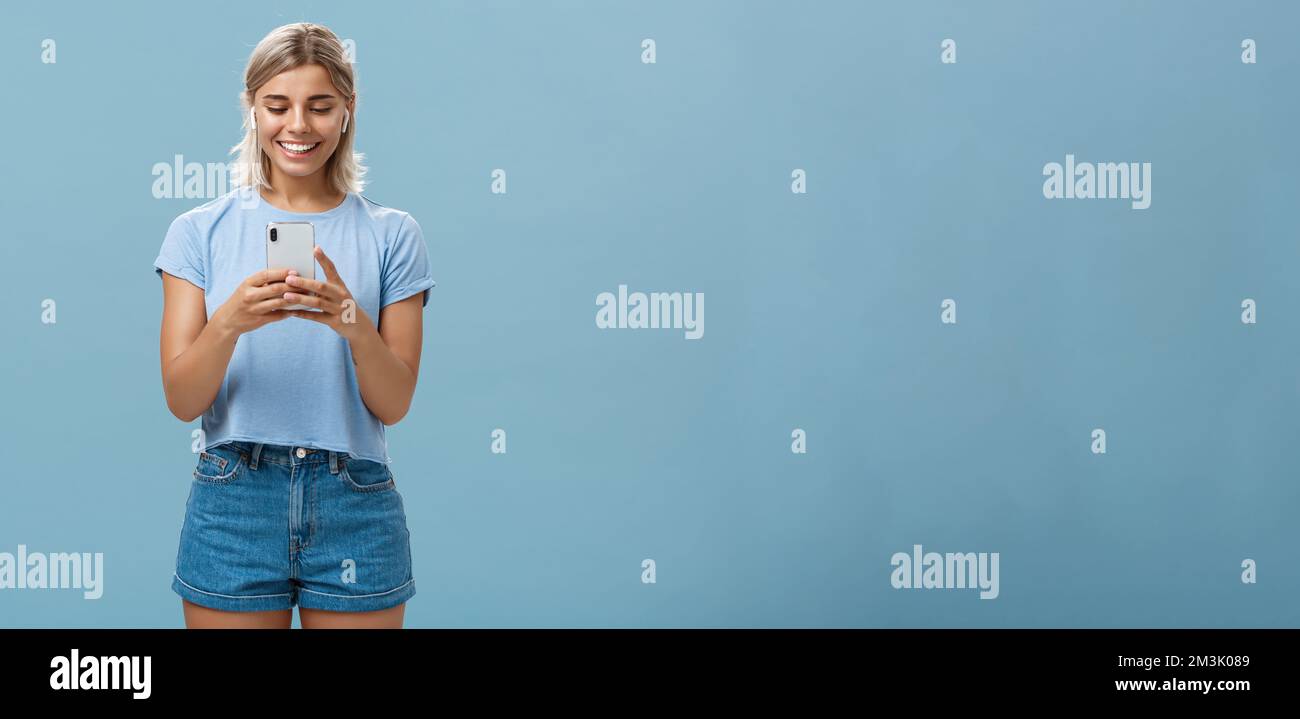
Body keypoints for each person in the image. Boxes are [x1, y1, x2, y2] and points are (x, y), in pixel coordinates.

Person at [153, 22, 434, 629]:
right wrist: (230, 321)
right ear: (253, 108)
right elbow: (182, 399)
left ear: (347, 111)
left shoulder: (394, 235)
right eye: (278, 106)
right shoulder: (198, 232)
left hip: (353, 499)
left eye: (320, 106)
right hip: (234, 499)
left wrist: (351, 321)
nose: (299, 126)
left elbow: (394, 401)